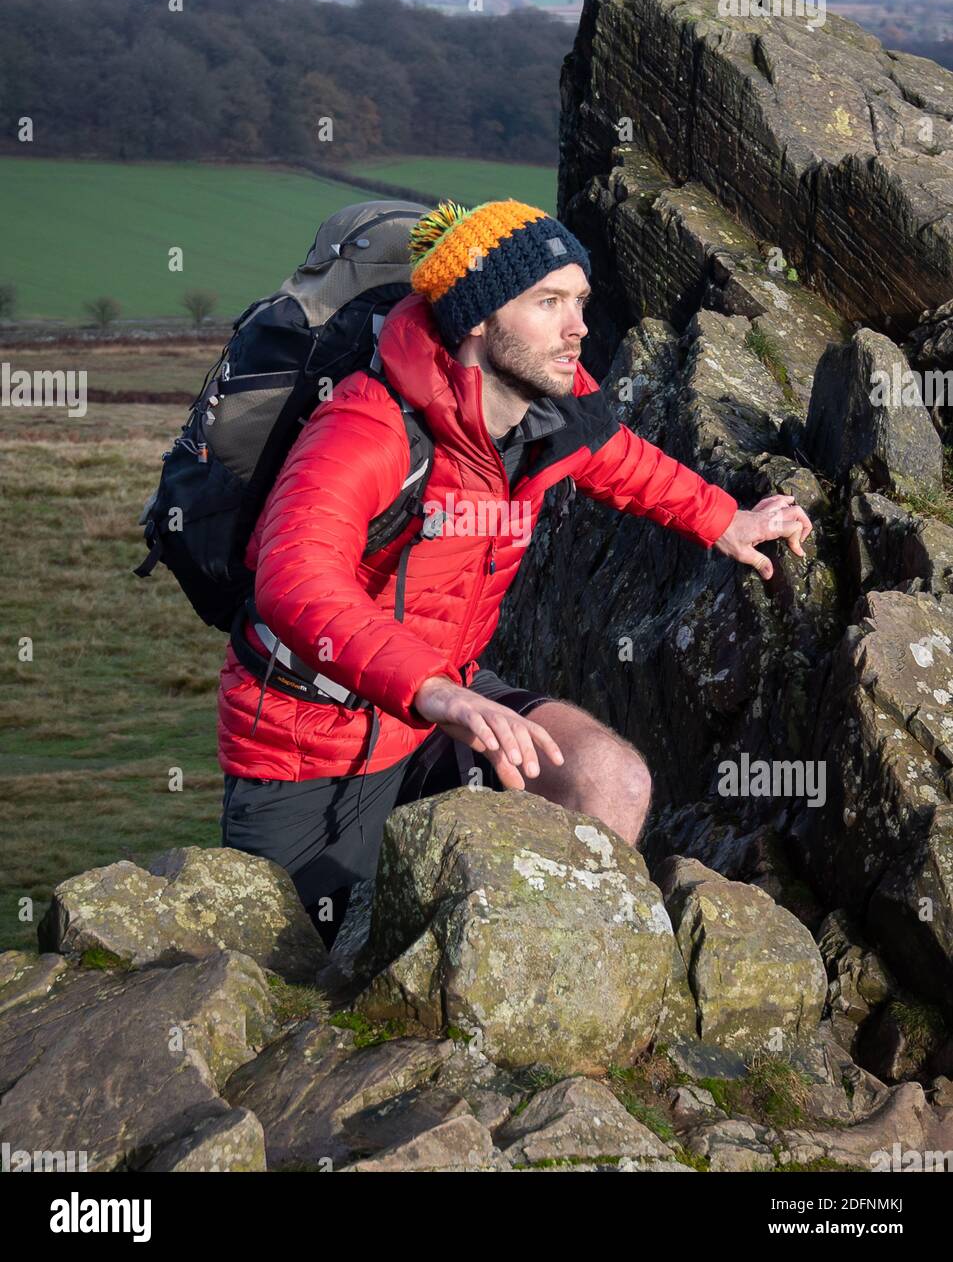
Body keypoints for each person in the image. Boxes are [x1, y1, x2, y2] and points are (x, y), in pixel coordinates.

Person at [217, 198, 813, 952]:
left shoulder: (546, 408)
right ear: (475, 318)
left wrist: (728, 520)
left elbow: (618, 459)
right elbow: (296, 584)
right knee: (305, 970)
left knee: (610, 780)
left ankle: (561, 984)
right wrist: (434, 693)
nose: (577, 328)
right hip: (315, 746)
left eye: (580, 302)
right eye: (547, 303)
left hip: (445, 705)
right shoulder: (364, 431)